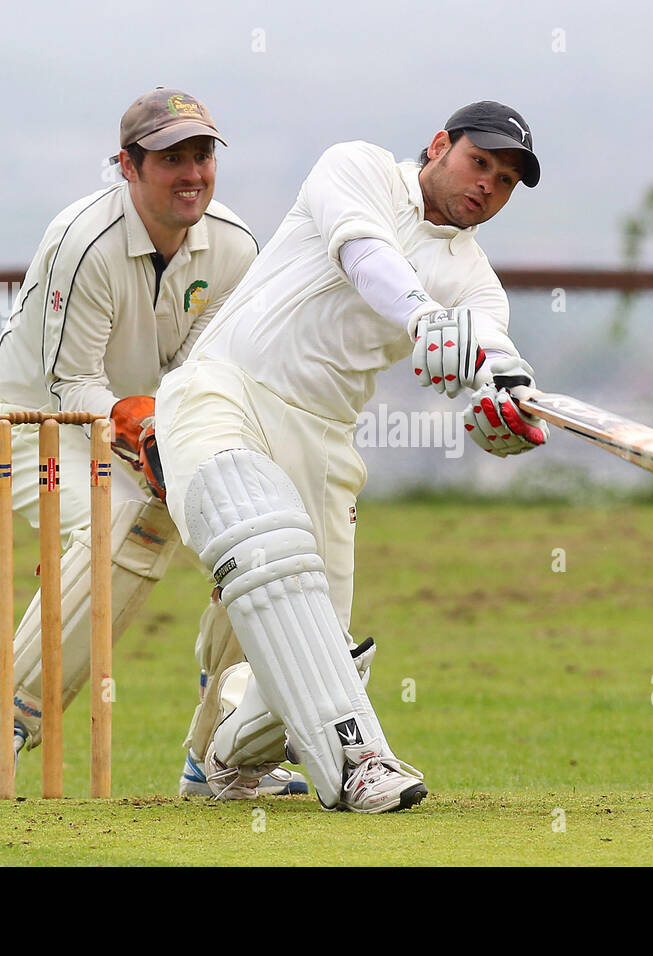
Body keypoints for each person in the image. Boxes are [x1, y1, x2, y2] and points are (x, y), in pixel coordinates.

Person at [154, 101, 550, 812]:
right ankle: (360, 761)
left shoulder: (475, 282)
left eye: (507, 180)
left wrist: (504, 402)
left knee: (314, 652)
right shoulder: (358, 166)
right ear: (438, 146)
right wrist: (425, 317)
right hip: (224, 386)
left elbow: (492, 348)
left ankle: (223, 761)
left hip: (324, 443)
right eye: (480, 162)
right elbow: (364, 254)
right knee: (257, 534)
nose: (488, 185)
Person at [0, 87, 307, 800]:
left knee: (253, 536)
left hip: (152, 431)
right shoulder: (86, 241)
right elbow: (72, 386)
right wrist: (143, 428)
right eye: (171, 158)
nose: (191, 172)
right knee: (130, 528)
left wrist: (175, 436)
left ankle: (222, 757)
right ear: (128, 167)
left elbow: (210, 372)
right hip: (34, 426)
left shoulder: (233, 246)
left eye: (201, 155)